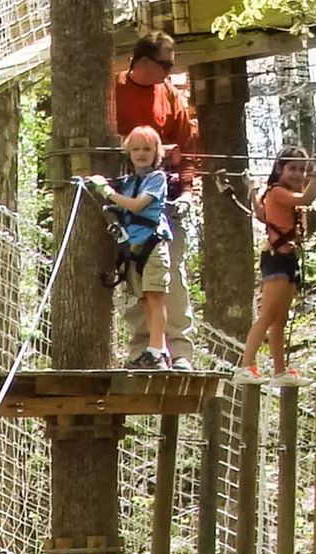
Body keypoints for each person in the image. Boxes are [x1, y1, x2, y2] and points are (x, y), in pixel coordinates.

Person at [113, 30, 198, 368]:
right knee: (135, 280)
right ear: (144, 61)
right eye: (166, 64)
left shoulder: (171, 95)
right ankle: (143, 351)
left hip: (166, 203)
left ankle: (179, 352)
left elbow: (189, 146)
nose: (170, 70)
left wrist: (188, 192)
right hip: (126, 204)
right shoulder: (113, 90)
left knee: (170, 278)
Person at [92, 127, 174, 369]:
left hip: (153, 244)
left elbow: (138, 206)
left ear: (156, 153)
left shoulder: (157, 179)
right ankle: (157, 348)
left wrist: (107, 192)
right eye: (136, 149)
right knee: (146, 300)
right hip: (134, 247)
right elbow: (125, 206)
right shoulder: (128, 182)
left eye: (147, 149)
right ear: (128, 152)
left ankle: (156, 350)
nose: (141, 154)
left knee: (155, 297)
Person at [237, 146, 314, 387]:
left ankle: (279, 371)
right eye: (292, 168)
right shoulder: (279, 192)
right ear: (280, 169)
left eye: (302, 169)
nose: (298, 174)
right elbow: (306, 198)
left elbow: (262, 215)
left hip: (289, 260)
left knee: (280, 318)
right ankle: (245, 366)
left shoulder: (282, 197)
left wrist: (253, 191)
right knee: (268, 314)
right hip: (277, 260)